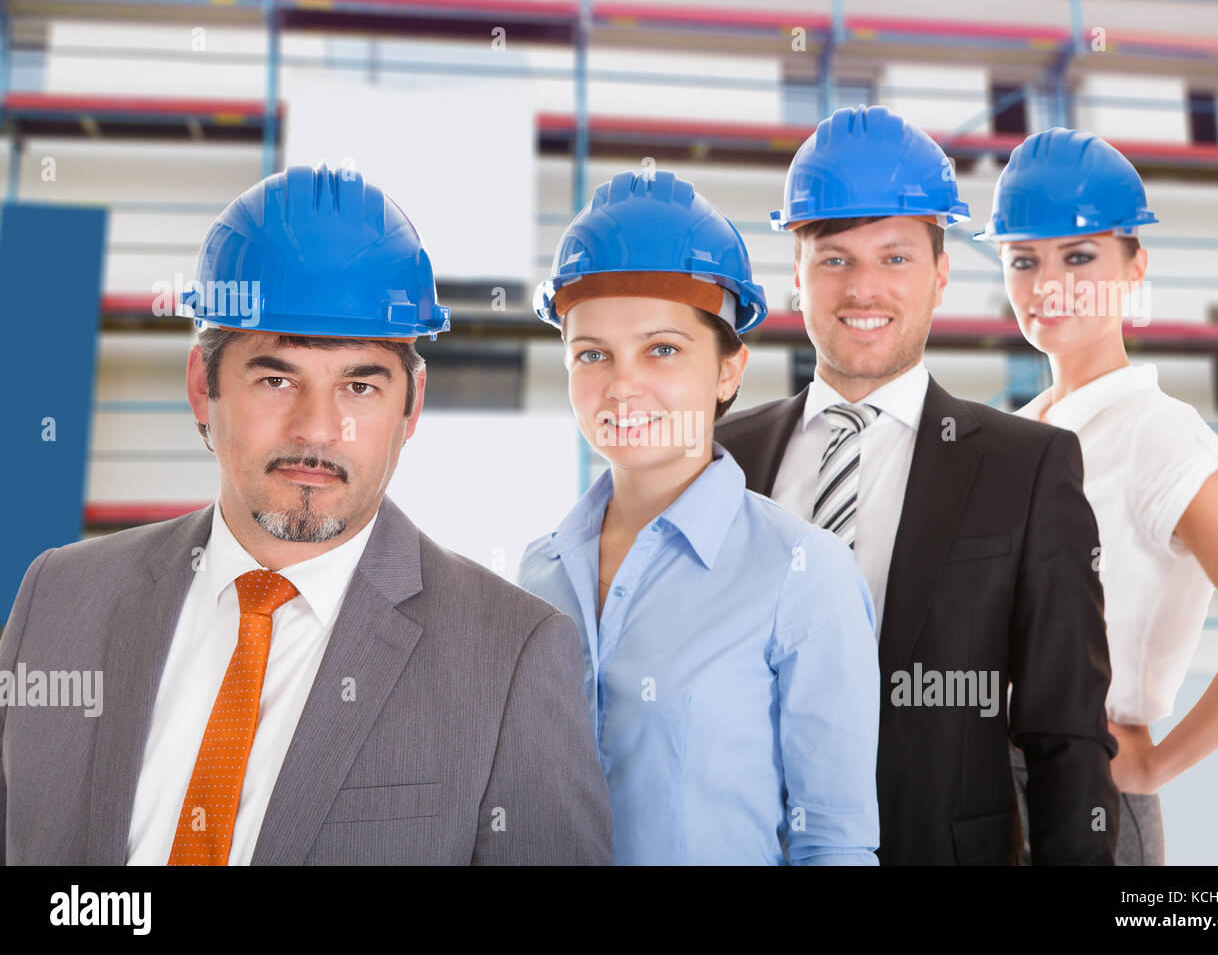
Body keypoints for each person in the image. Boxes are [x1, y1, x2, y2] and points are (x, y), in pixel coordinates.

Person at [0, 162, 613, 865]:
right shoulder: (59, 598)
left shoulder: (510, 659)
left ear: (410, 406)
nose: (319, 429)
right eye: (276, 378)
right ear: (204, 388)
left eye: (359, 385)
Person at [715, 104, 1119, 865]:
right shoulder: (721, 458)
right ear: (797, 279)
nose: (863, 289)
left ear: (939, 276)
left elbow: (1065, 739)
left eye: (895, 258)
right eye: (834, 259)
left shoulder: (1026, 468)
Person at [518, 168, 881, 865]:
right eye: (592, 354)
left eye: (662, 349)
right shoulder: (539, 573)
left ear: (727, 370)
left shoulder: (802, 575)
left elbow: (834, 846)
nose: (622, 385)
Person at [977, 126, 1218, 864]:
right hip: (989, 791)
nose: (1048, 283)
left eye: (1080, 256)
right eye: (1024, 260)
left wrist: (1156, 765)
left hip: (1093, 799)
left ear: (1135, 266)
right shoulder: (1019, 433)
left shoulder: (1157, 434)